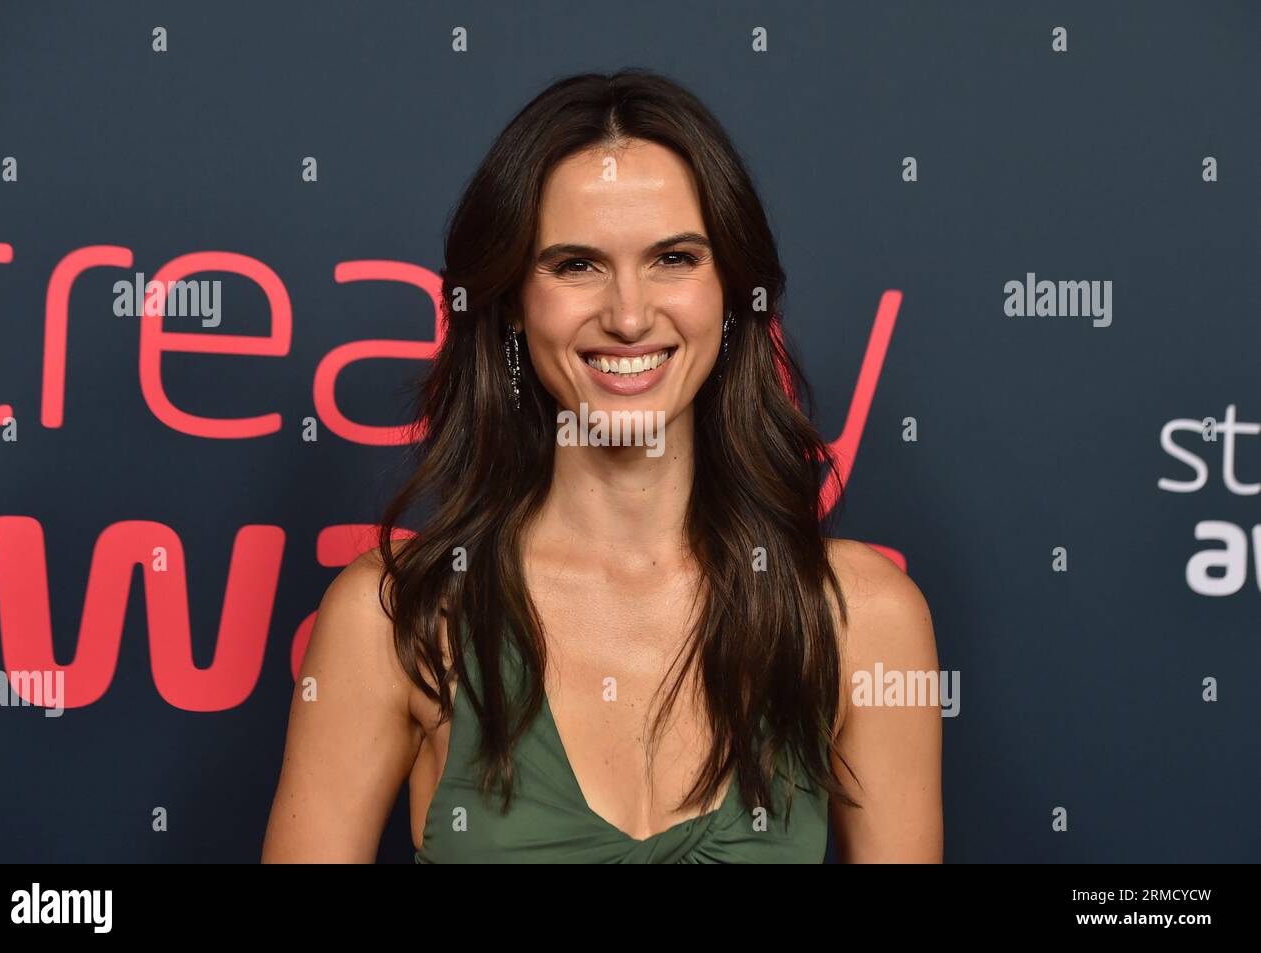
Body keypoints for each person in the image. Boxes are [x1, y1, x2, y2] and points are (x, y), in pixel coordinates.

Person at [262, 68, 942, 863]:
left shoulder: (862, 618)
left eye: (674, 258)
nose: (627, 315)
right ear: (513, 300)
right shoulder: (395, 619)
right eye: (576, 264)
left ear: (732, 293)